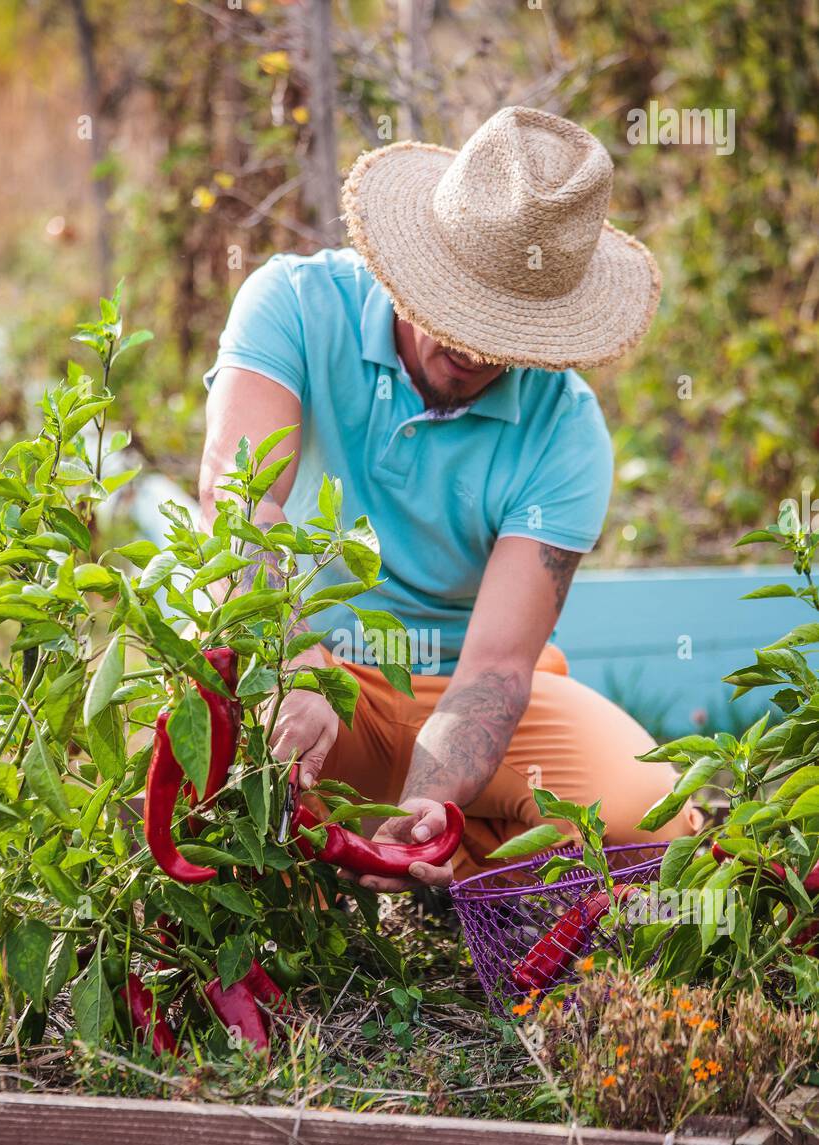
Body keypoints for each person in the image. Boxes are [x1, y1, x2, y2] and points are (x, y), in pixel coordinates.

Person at [199, 107, 700, 893]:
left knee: (650, 822)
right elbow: (240, 509)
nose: (466, 350)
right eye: (453, 307)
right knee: (189, 751)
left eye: (499, 332)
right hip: (314, 669)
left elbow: (497, 669)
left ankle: (407, 838)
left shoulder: (566, 430)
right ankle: (433, 849)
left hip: (454, 685)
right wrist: (292, 669)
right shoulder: (293, 305)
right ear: (414, 262)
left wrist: (434, 794)